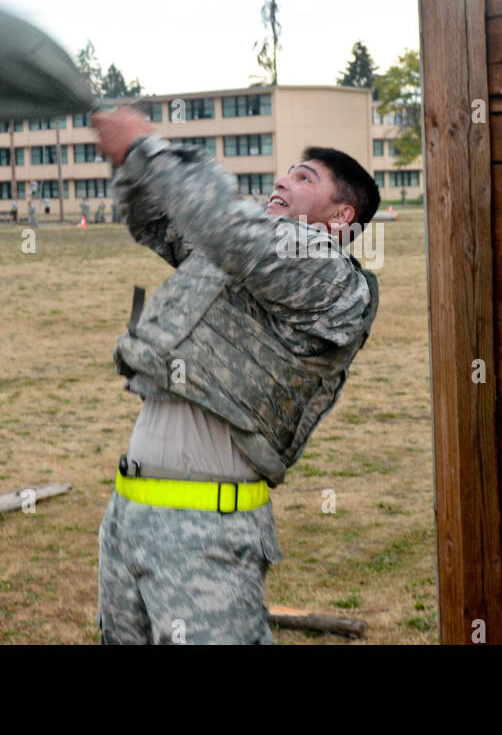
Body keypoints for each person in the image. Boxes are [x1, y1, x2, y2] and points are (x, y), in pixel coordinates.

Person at [92, 107, 380, 645]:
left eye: (304, 177)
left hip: (207, 530)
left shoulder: (329, 276)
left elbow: (228, 229)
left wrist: (145, 147)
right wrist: (129, 167)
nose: (282, 180)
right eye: (288, 171)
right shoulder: (240, 251)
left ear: (342, 217)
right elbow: (157, 223)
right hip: (130, 515)